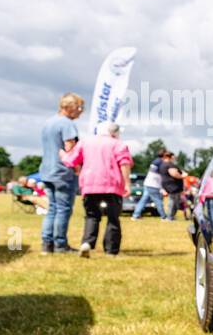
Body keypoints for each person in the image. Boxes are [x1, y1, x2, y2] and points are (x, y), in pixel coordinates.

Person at [62, 121, 132, 257]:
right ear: (114, 133)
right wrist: (127, 183)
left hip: (89, 185)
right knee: (113, 218)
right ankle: (111, 250)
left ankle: (87, 243)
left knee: (91, 216)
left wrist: (62, 154)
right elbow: (125, 163)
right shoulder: (118, 144)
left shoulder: (85, 142)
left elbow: (70, 161)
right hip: (112, 186)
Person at [38, 93, 83, 252]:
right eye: (79, 107)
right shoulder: (67, 124)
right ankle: (60, 244)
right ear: (70, 107)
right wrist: (78, 168)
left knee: (52, 208)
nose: (81, 111)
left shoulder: (48, 122)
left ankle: (47, 243)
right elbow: (70, 147)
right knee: (63, 208)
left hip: (47, 170)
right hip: (63, 172)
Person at [132, 149, 167, 219]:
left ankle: (135, 215)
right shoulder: (161, 162)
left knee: (143, 200)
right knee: (158, 200)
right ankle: (164, 216)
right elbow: (161, 174)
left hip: (148, 183)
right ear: (164, 155)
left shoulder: (155, 161)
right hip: (153, 185)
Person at [159, 151, 187, 220]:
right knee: (173, 201)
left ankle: (171, 216)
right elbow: (174, 173)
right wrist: (182, 176)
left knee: (174, 201)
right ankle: (170, 216)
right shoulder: (169, 164)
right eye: (173, 156)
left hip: (169, 185)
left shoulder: (163, 164)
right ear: (170, 156)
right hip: (173, 186)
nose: (174, 158)